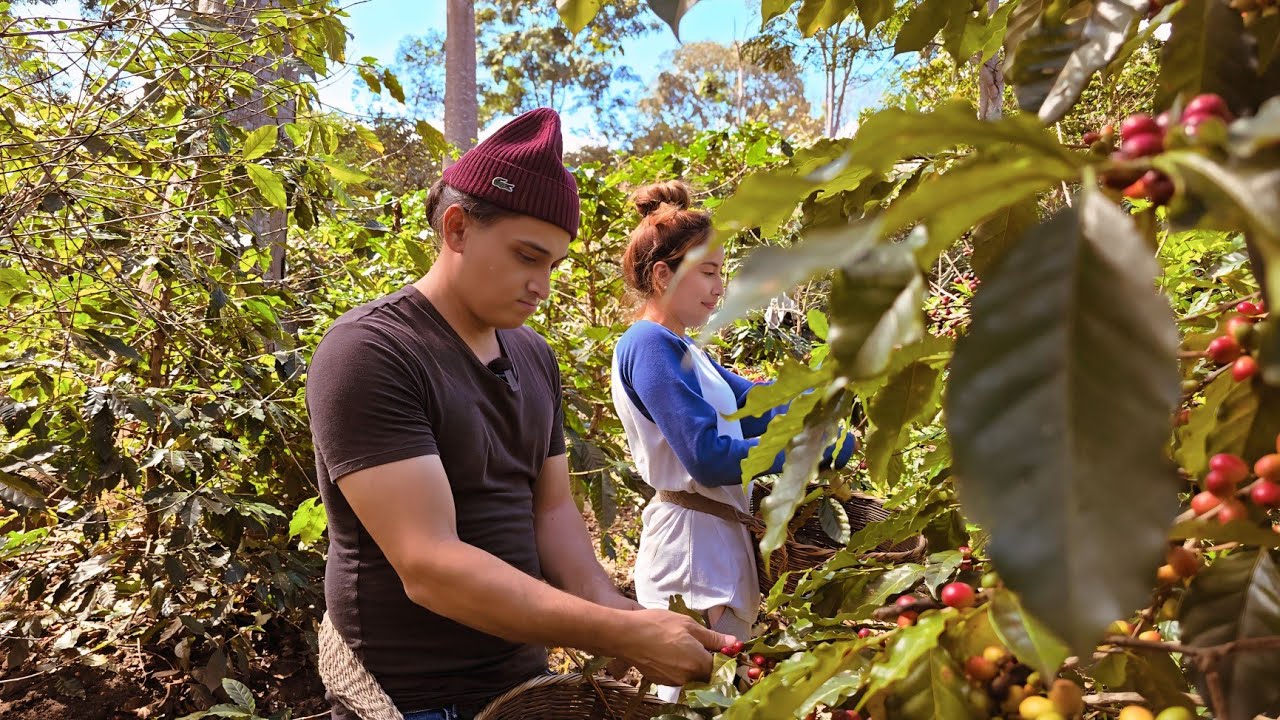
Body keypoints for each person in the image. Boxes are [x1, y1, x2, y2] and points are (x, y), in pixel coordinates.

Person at [306, 110, 734, 720]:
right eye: (526, 257)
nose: (542, 286)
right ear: (457, 228)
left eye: (553, 265)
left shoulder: (531, 354)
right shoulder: (371, 352)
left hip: (520, 685)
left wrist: (624, 615)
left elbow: (552, 509)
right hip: (412, 699)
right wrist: (612, 634)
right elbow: (430, 565)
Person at [610, 180, 855, 702]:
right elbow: (707, 457)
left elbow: (755, 407)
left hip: (716, 540)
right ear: (661, 275)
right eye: (709, 272)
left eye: (722, 272)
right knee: (697, 700)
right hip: (693, 551)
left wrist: (822, 409)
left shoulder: (686, 349)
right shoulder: (649, 344)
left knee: (725, 695)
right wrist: (805, 449)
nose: (720, 287)